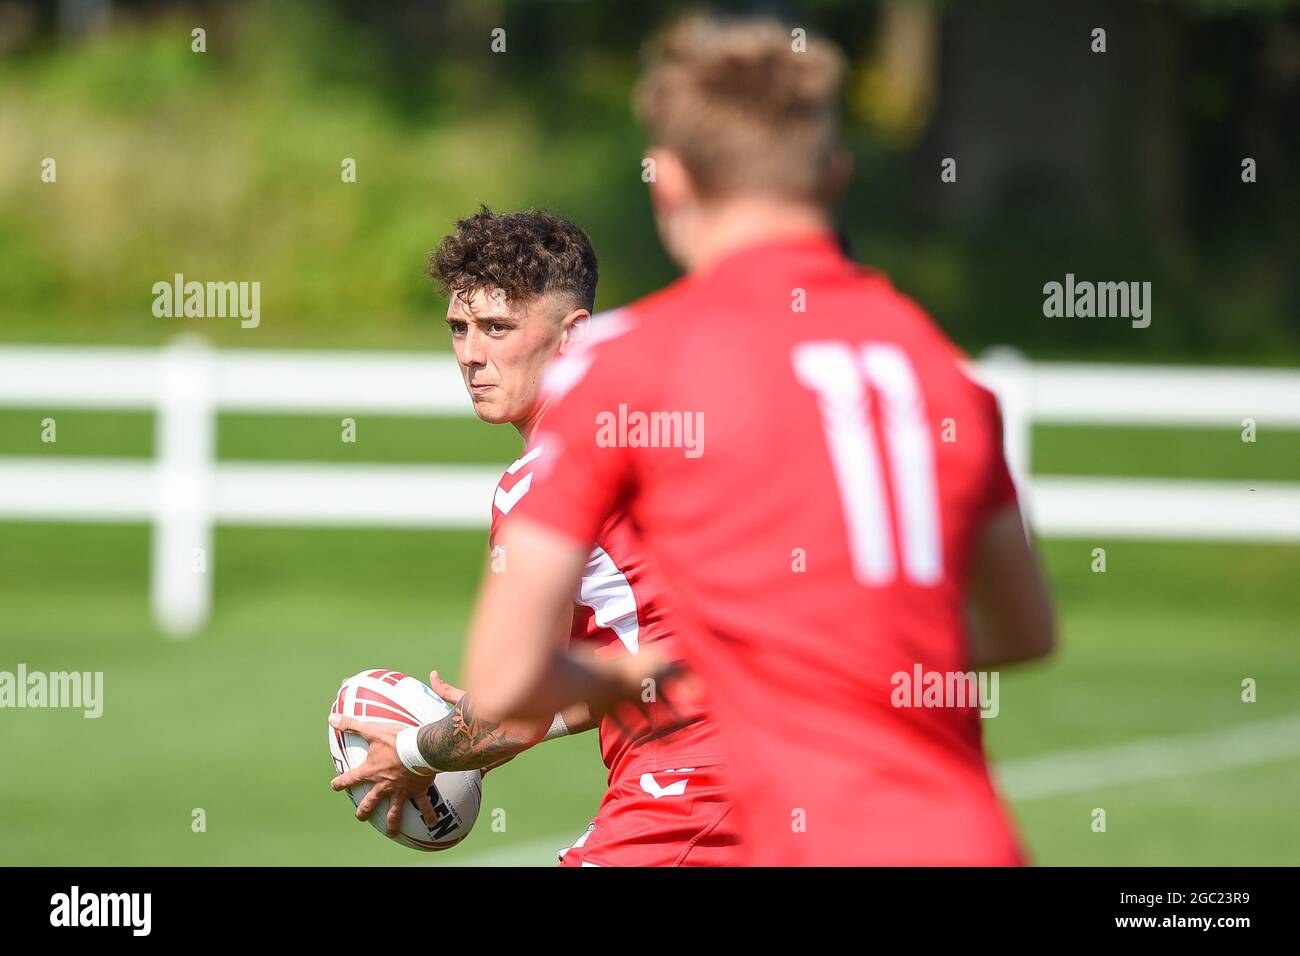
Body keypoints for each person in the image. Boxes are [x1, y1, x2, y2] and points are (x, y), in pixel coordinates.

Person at [455, 15, 1057, 865]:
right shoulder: (933, 363)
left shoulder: (634, 366)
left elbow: (504, 680)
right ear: (836, 175)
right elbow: (1024, 629)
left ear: (667, 184)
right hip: (961, 839)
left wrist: (680, 665)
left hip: (762, 824)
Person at [330, 207, 739, 866]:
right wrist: (496, 725)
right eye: (459, 329)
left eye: (498, 328)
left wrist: (414, 752)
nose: (471, 354)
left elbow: (508, 717)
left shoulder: (547, 477)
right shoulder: (661, 434)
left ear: (573, 335)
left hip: (690, 784)